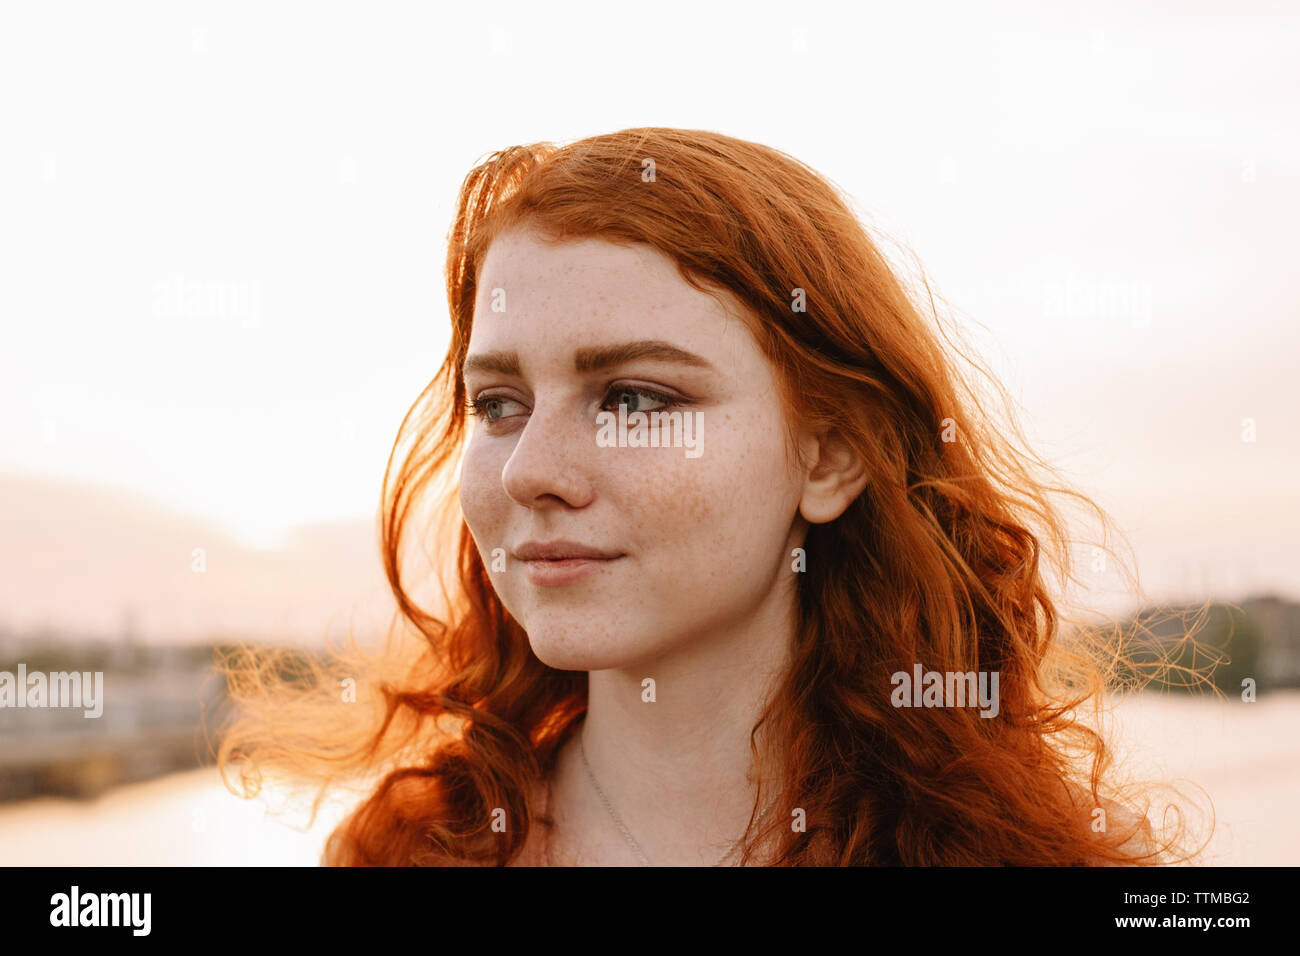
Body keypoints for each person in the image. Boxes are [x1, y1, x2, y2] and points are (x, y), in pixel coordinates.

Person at [218, 127, 1208, 866]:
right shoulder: (407, 854)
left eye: (634, 396)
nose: (529, 470)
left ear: (828, 457)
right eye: (499, 401)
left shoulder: (1010, 856)